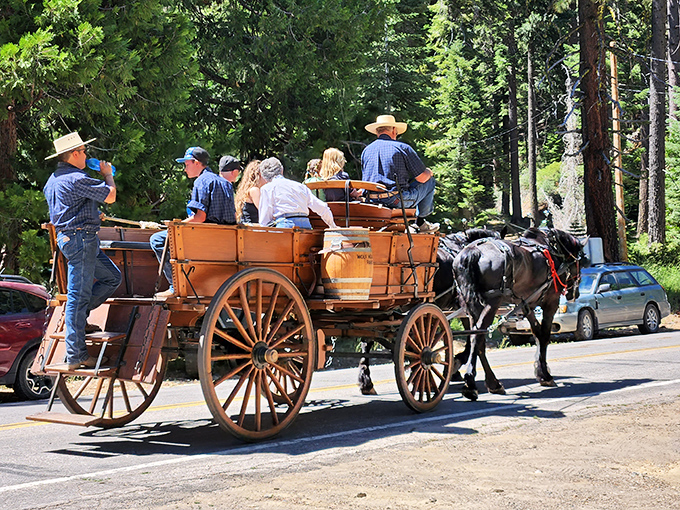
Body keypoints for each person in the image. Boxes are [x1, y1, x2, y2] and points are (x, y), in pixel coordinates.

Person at [43, 132, 122, 370]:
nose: (87, 156)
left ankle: (78, 319)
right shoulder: (77, 178)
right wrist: (107, 174)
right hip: (82, 240)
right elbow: (110, 196)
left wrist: (90, 214)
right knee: (78, 295)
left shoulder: (53, 180)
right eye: (84, 152)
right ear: (75, 153)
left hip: (70, 239)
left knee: (112, 277)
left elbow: (67, 211)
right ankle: (76, 355)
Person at [150, 147, 236, 298]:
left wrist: (175, 226)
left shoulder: (201, 181)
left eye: (186, 164)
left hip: (205, 236)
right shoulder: (225, 183)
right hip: (226, 239)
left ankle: (174, 286)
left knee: (157, 239)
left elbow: (200, 218)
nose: (185, 169)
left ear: (196, 163)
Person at [361, 114, 439, 233]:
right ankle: (421, 222)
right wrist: (429, 172)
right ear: (393, 130)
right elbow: (422, 178)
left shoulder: (366, 151)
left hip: (371, 201)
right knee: (429, 181)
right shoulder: (402, 147)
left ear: (377, 132)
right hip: (395, 200)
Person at [257, 157, 338, 229]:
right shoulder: (300, 186)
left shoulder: (267, 189)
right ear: (281, 170)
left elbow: (265, 220)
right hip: (306, 226)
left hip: (285, 226)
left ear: (264, 177)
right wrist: (332, 226)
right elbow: (322, 207)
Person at [234, 160, 262, 224]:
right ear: (259, 174)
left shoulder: (246, 190)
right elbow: (265, 212)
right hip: (252, 229)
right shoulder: (254, 190)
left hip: (246, 228)